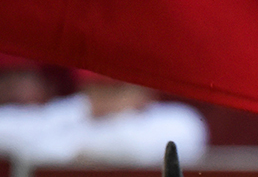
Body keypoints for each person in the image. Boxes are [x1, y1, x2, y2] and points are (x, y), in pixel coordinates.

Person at [0, 70, 207, 165]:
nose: (109, 98)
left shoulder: (175, 120)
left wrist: (74, 150)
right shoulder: (70, 114)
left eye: (117, 88)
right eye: (100, 87)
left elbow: (131, 146)